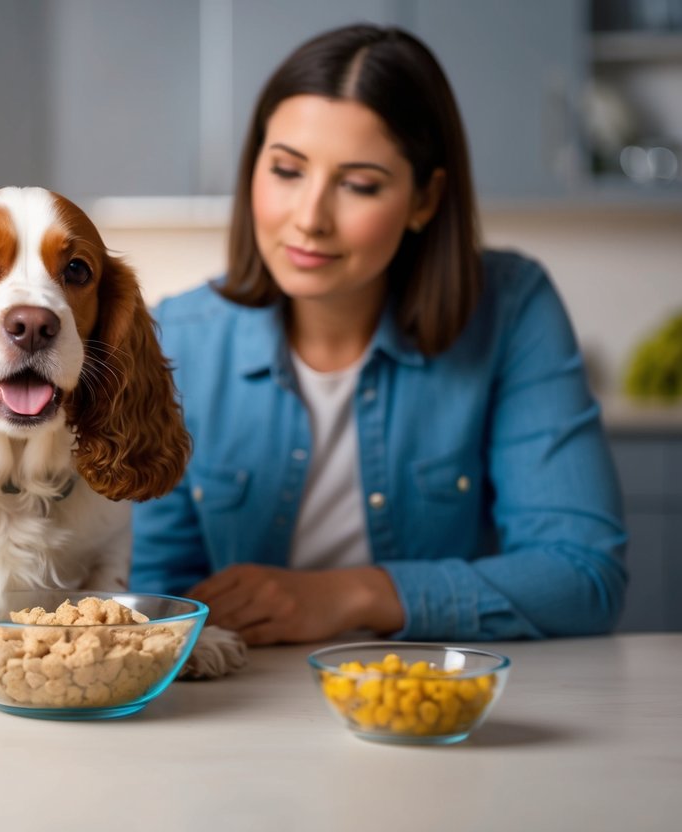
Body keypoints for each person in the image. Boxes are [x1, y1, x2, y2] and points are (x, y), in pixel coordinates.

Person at [130, 23, 628, 644]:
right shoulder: (177, 335)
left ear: (425, 199)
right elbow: (152, 600)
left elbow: (583, 577)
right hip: (241, 701)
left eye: (359, 184)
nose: (309, 219)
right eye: (286, 170)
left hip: (437, 696)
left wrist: (352, 594)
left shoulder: (511, 310)